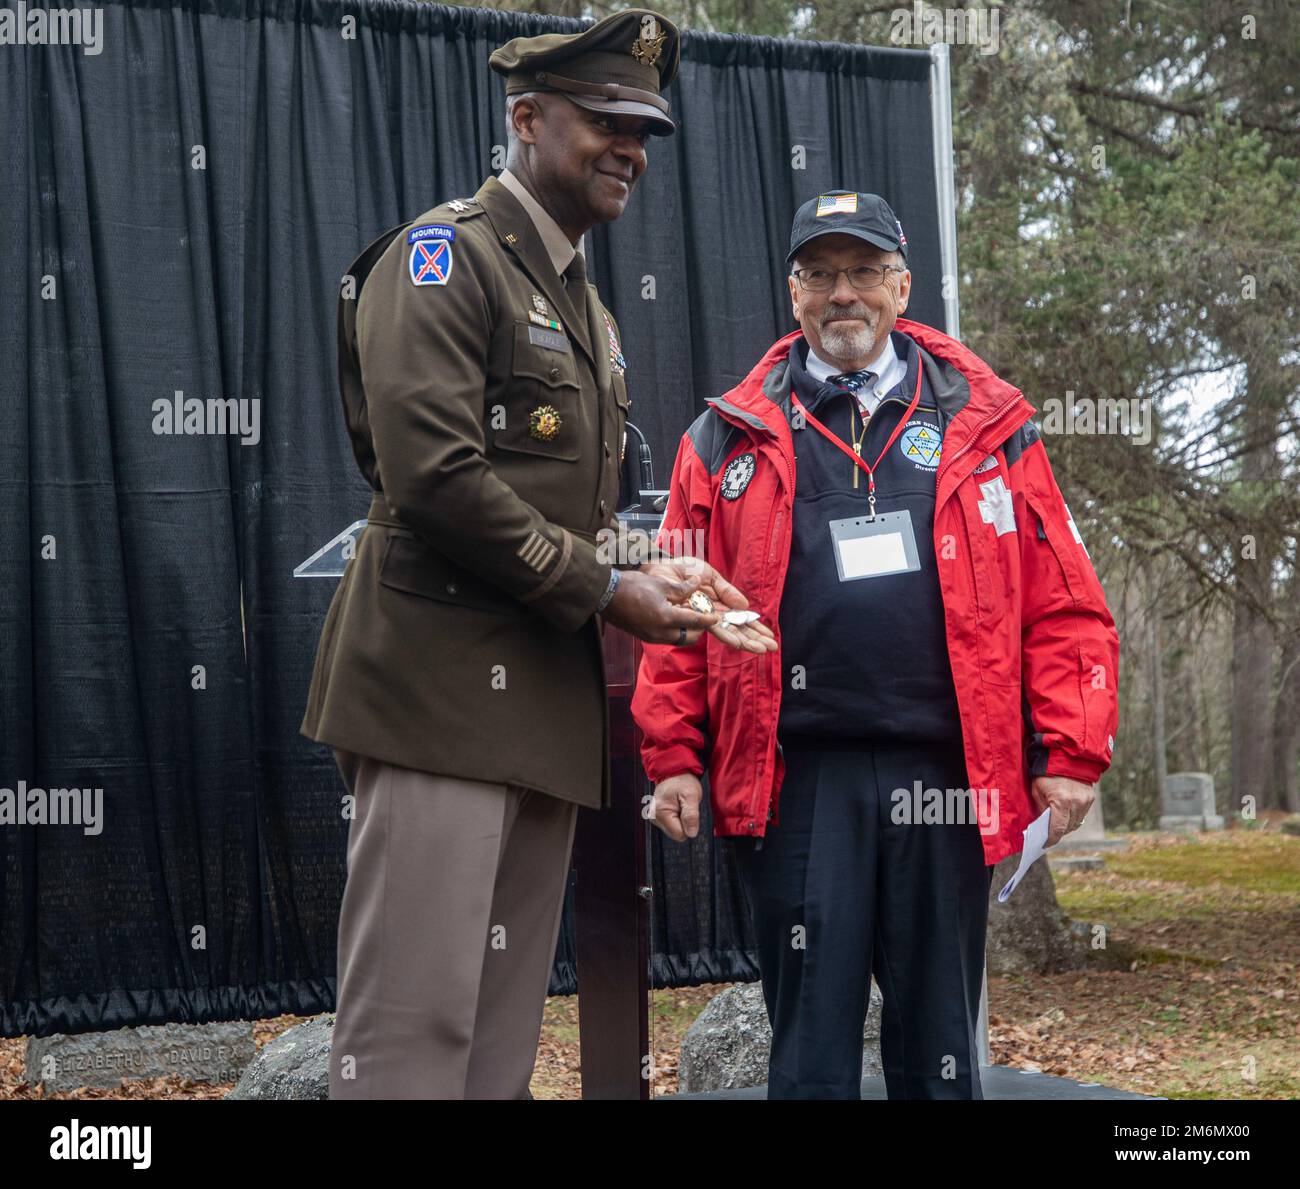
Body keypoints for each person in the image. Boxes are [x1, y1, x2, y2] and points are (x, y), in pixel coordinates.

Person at [300, 8, 775, 1100]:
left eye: (643, 130)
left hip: (542, 715)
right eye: (605, 120)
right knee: (412, 1043)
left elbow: (564, 502)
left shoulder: (587, 311)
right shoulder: (441, 260)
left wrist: (661, 565)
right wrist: (609, 588)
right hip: (436, 701)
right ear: (526, 119)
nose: (629, 149)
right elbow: (435, 477)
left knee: (494, 1049)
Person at [632, 189, 1120, 1099]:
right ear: (793, 292)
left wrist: (1072, 751)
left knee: (939, 1047)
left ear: (902, 285)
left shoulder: (991, 428)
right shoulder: (723, 437)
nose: (842, 293)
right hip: (798, 783)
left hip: (946, 771)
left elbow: (1063, 604)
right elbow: (678, 610)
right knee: (810, 1050)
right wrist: (674, 755)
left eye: (863, 272)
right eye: (821, 274)